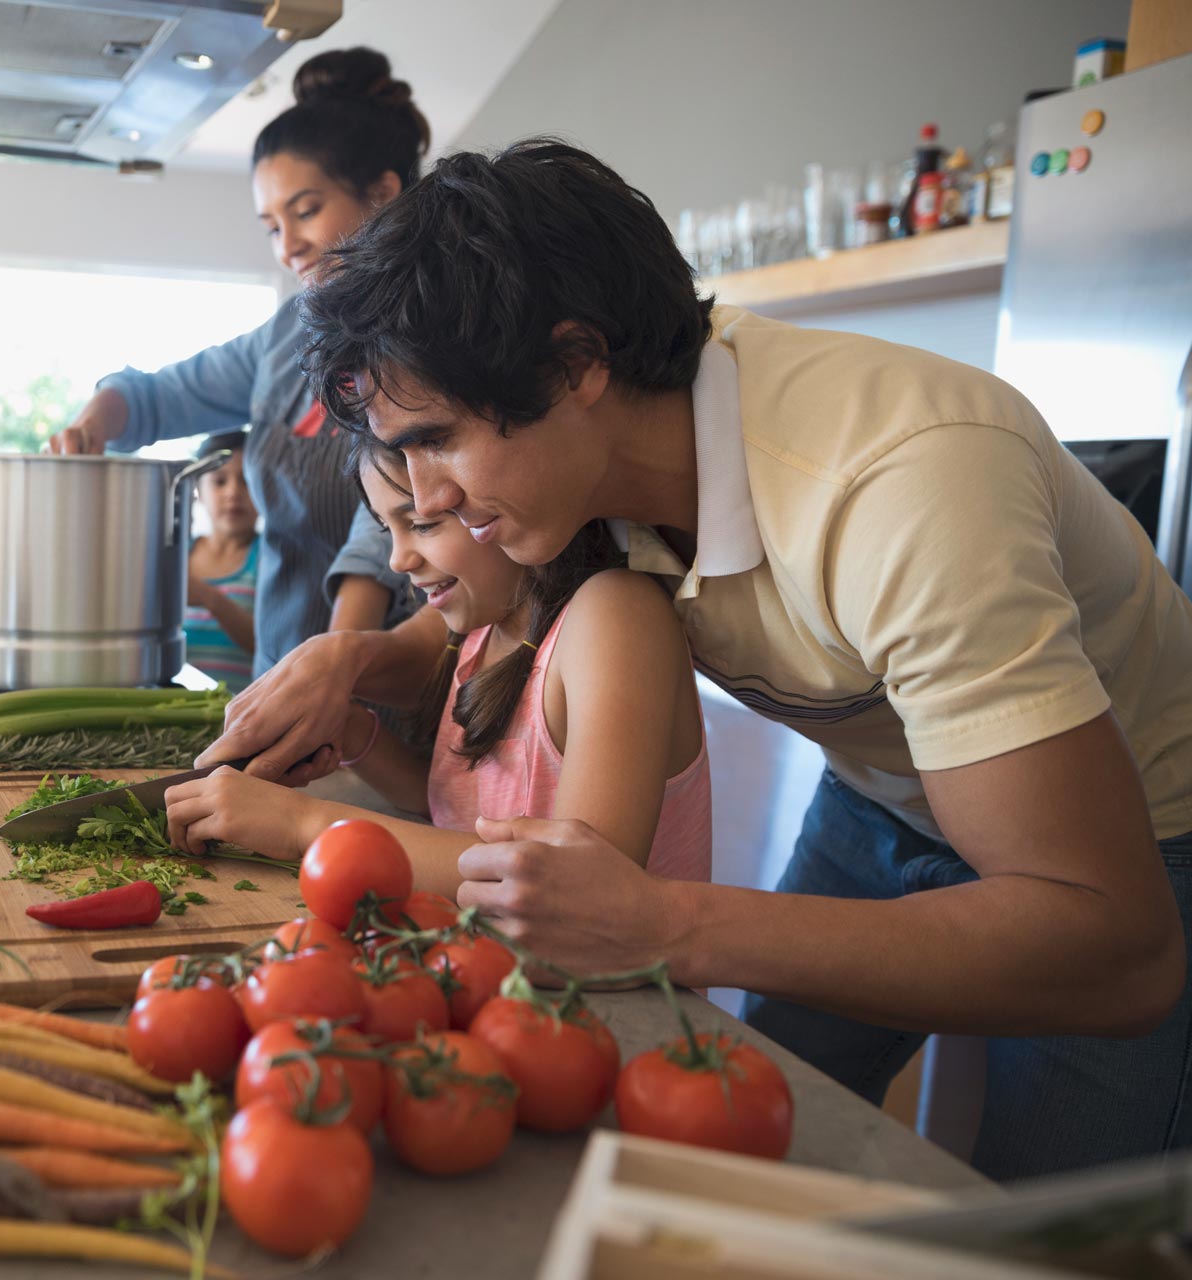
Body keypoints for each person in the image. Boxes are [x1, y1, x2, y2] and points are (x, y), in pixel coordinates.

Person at [201, 138, 1192, 1182]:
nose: (428, 498)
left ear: (576, 364)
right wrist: (355, 659)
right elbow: (484, 619)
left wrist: (669, 921)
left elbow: (1120, 952)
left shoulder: (900, 490)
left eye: (437, 439)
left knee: (1057, 1210)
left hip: (1136, 835)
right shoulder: (597, 454)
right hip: (878, 789)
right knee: (775, 1121)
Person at [167, 442, 712, 891]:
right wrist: (353, 732)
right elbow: (453, 810)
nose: (398, 559)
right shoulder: (480, 632)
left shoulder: (616, 616)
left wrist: (304, 824)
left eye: (423, 524)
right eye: (389, 530)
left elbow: (578, 886)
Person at [48, 47, 427, 688]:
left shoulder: (428, 335)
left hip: (376, 682)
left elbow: (387, 519)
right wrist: (95, 421)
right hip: (279, 675)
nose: (289, 246)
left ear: (383, 194)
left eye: (305, 211)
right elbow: (157, 397)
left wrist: (333, 671)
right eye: (272, 227)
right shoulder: (288, 336)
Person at [184, 431, 259, 690]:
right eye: (219, 481)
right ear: (198, 488)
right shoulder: (179, 555)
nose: (233, 492)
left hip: (241, 707)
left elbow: (268, 644)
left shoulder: (270, 558)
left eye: (247, 480)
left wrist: (210, 598)